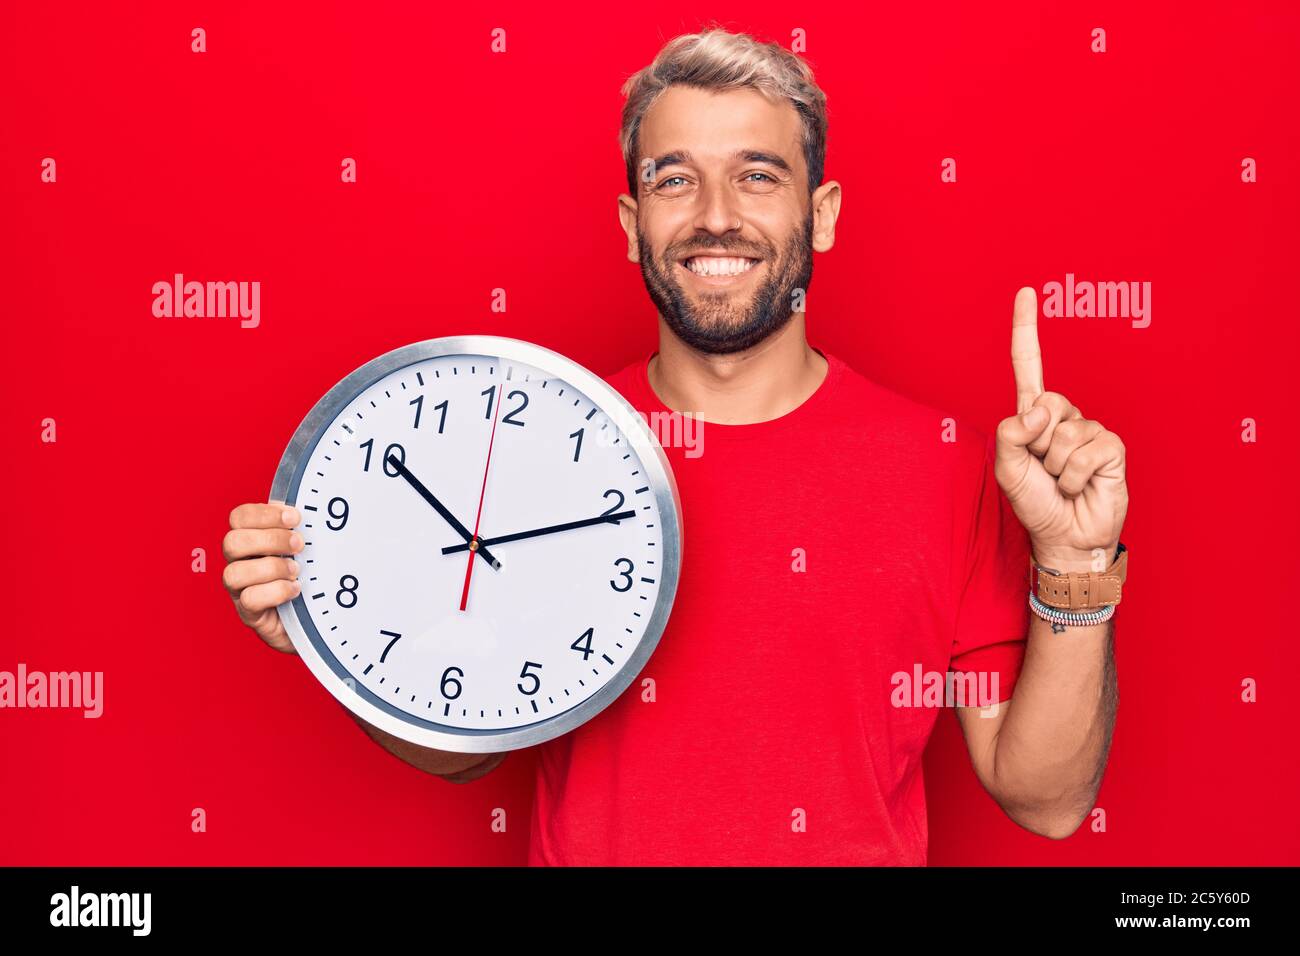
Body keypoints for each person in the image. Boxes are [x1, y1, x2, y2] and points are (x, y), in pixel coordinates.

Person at [222, 28, 1129, 865]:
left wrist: (1074, 558)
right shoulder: (529, 446)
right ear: (631, 224)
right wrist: (328, 641)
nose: (717, 216)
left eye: (759, 176)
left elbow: (1043, 798)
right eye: (674, 179)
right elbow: (459, 754)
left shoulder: (946, 463)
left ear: (823, 215)